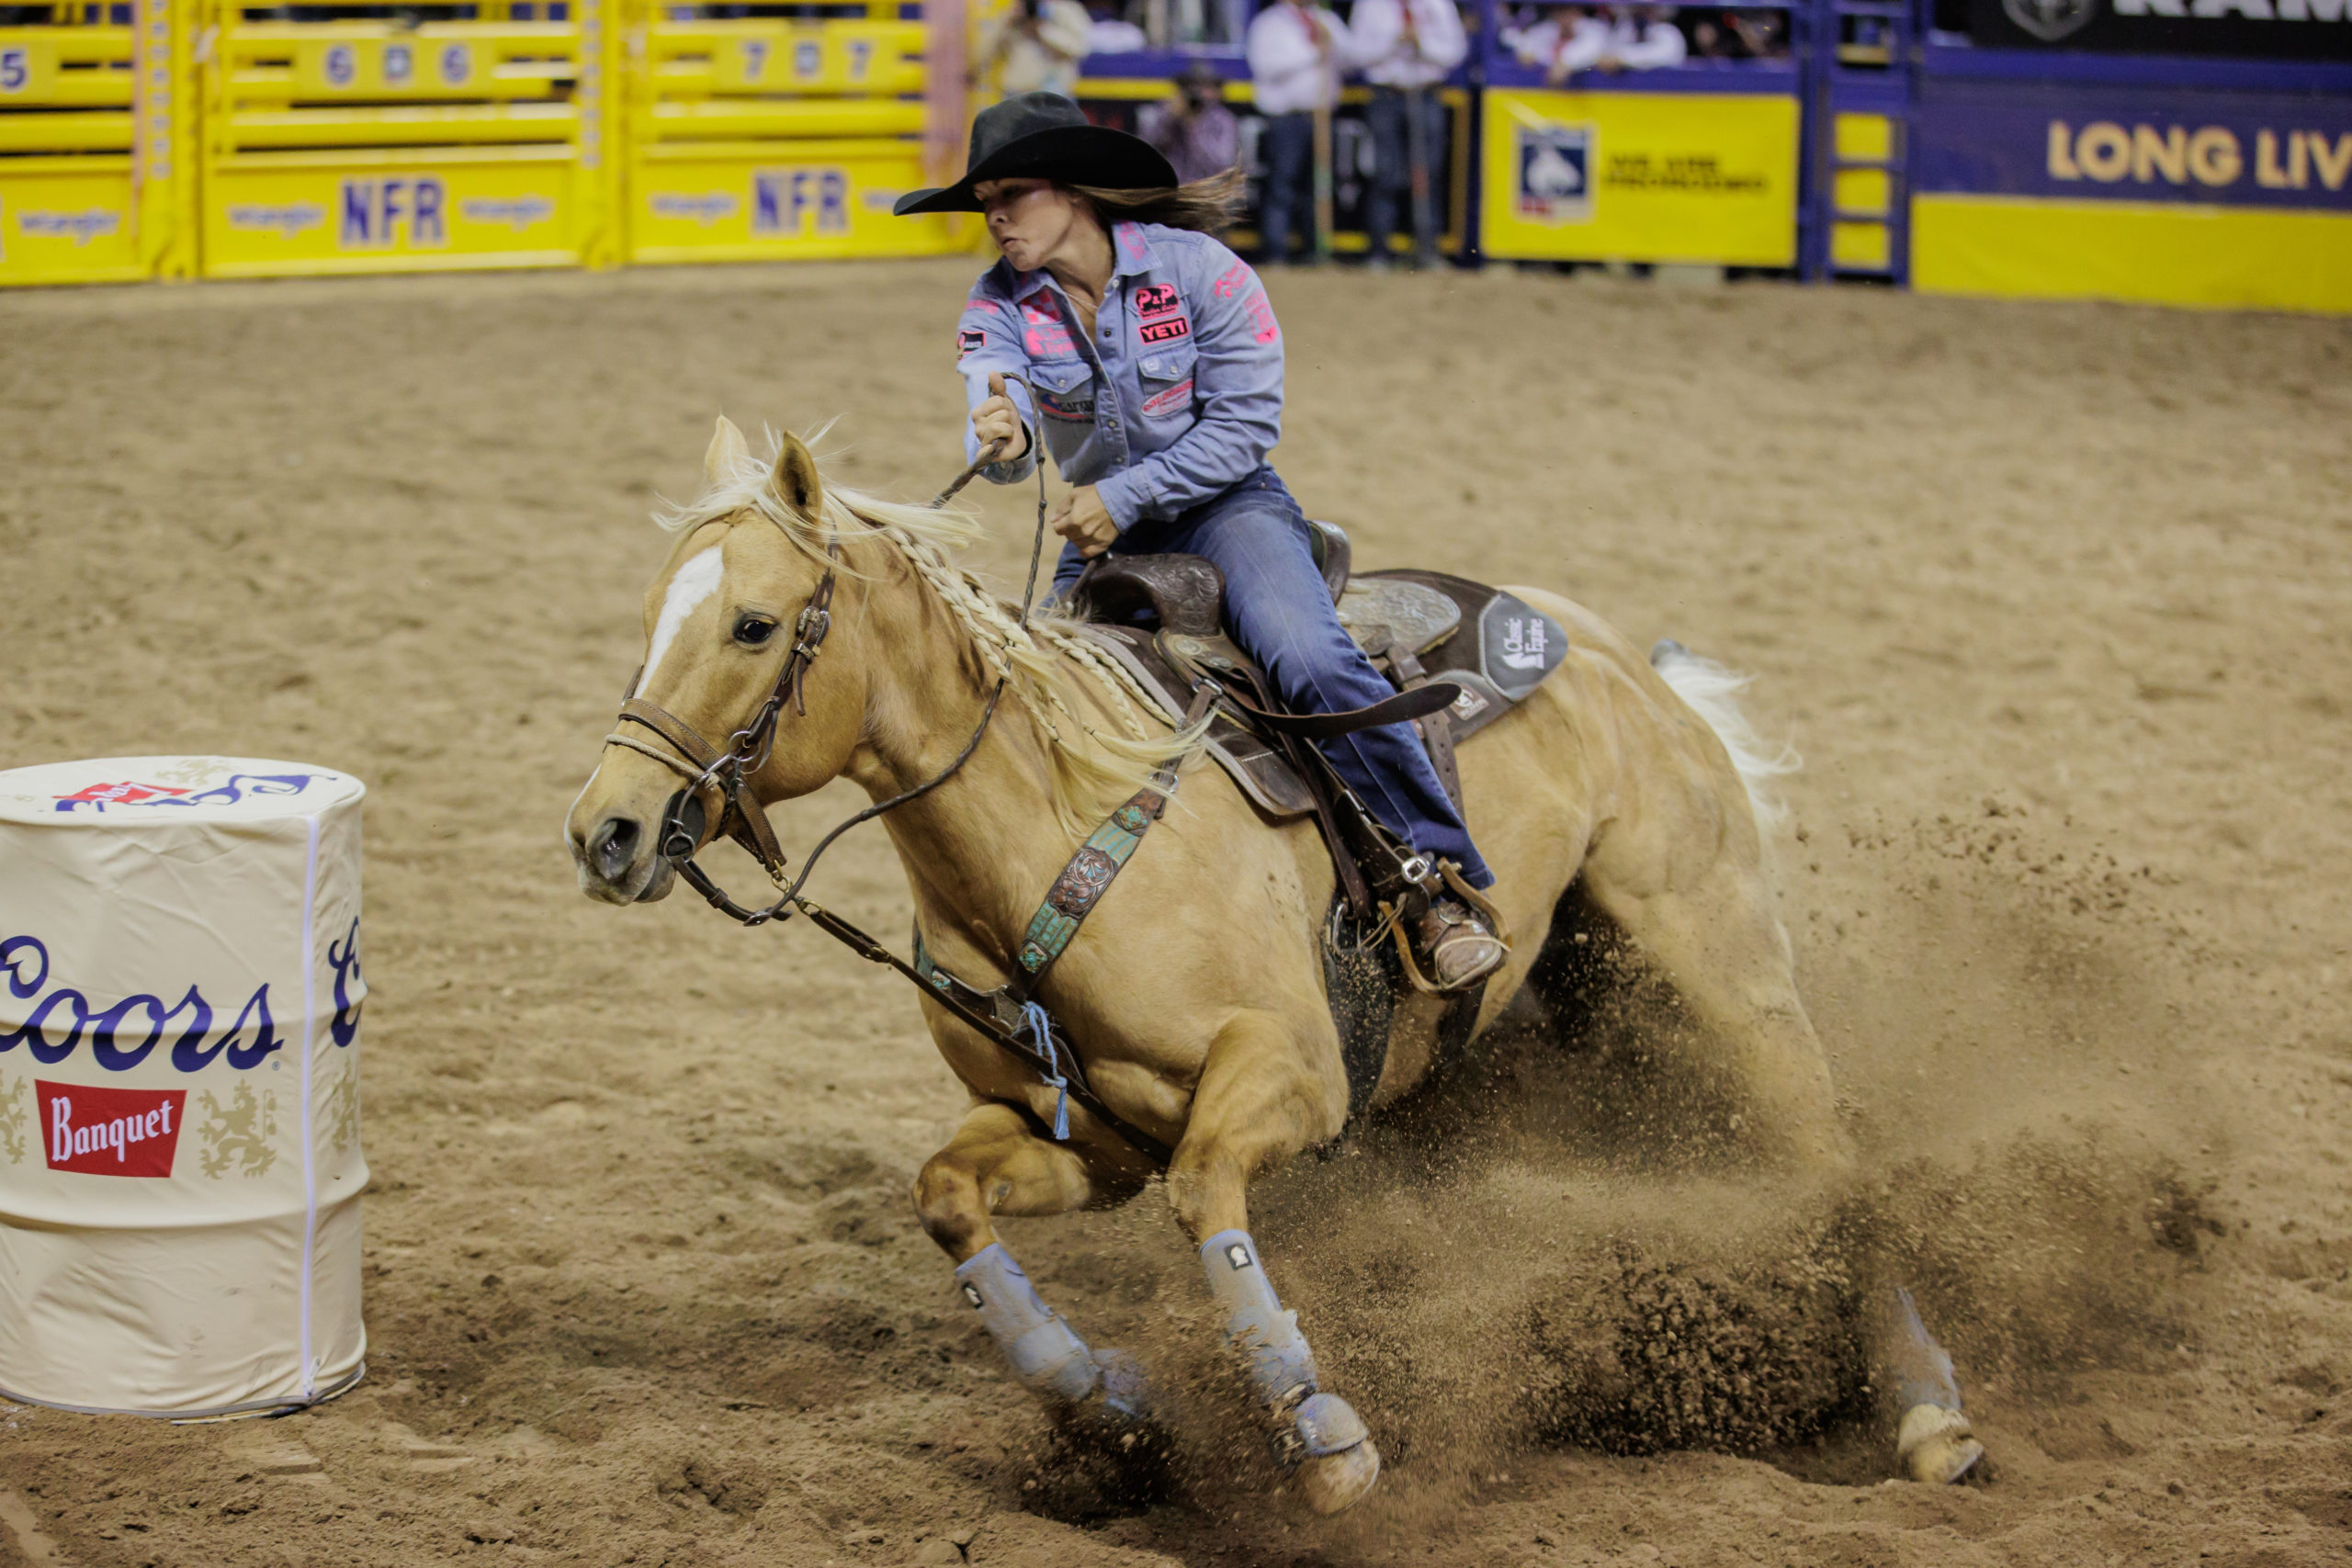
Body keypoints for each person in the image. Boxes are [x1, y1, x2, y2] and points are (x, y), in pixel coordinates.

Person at [891, 93, 1505, 990]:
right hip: (1099, 531)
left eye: (1010, 193)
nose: (993, 214)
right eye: (984, 199)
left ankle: (1433, 884)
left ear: (1073, 193)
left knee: (1311, 661)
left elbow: (1245, 428)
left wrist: (1122, 493)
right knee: (1026, 719)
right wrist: (1005, 435)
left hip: (1229, 511)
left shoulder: (1205, 272)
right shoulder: (998, 305)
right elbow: (999, 406)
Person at [1347, 0, 1467, 269]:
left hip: (1426, 92)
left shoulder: (1437, 4)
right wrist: (1394, 39)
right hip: (1386, 94)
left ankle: (1427, 249)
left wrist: (1422, 41)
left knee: (1427, 173)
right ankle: (1379, 251)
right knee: (1383, 172)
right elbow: (1357, 53)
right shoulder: (1370, 5)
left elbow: (1456, 50)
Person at [1244, 0, 1351, 265]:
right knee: (1282, 186)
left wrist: (1333, 45)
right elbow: (1265, 66)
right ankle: (1276, 252)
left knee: (1319, 186)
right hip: (1285, 118)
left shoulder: (1327, 20)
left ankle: (1315, 251)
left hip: (1322, 117)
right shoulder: (1269, 23)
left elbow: (1354, 60)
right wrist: (1313, 51)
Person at [1139, 60, 1240, 185]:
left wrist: (1194, 126)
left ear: (1217, 91)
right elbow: (1145, 150)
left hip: (1207, 190)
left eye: (1206, 86)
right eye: (1193, 86)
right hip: (1172, 187)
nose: (1198, 93)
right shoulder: (1172, 111)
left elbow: (1221, 164)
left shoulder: (1223, 120)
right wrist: (1168, 118)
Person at [974, 0, 1096, 98]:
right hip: (1018, 92)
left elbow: (1079, 49)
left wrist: (1042, 29)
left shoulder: (1069, 9)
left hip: (1058, 94)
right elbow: (985, 52)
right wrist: (1007, 20)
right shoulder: (1015, 13)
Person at [1511, 3, 1611, 81]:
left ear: (1579, 11)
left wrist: (1565, 62)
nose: (1565, 17)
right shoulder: (1545, 29)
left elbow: (1594, 49)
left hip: (1590, 94)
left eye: (1569, 11)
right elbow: (1526, 51)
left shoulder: (1594, 29)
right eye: (1560, 11)